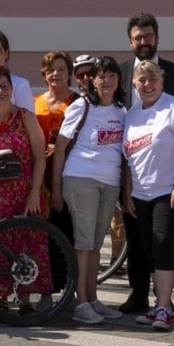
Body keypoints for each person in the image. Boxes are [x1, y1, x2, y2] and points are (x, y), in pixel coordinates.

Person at [116, 13, 174, 314]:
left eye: (148, 36)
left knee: (160, 240)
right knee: (135, 237)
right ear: (130, 41)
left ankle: (163, 300)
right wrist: (125, 184)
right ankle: (138, 294)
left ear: (157, 37)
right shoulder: (120, 73)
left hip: (167, 173)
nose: (143, 42)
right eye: (138, 38)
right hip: (132, 168)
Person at [122, 59, 174, 332]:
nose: (148, 84)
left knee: (162, 245)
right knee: (149, 249)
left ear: (162, 81)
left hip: (170, 191)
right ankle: (160, 303)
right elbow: (128, 159)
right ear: (134, 84)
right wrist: (128, 192)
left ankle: (165, 307)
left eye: (153, 78)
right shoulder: (131, 115)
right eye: (142, 80)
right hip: (141, 194)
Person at [52, 56, 127, 323]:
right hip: (81, 178)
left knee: (95, 244)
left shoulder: (122, 111)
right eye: (101, 76)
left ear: (118, 79)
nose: (107, 81)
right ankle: (80, 302)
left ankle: (93, 299)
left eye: (111, 75)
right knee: (83, 244)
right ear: (92, 81)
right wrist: (56, 186)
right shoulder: (81, 107)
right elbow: (60, 148)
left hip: (110, 182)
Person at [0, 65, 51, 318]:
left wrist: (34, 193)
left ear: (11, 88)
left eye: (4, 86)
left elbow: (40, 157)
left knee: (24, 244)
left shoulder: (25, 116)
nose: (0, 91)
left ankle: (26, 300)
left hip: (21, 194)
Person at [35, 51, 77, 248]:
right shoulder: (35, 102)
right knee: (43, 232)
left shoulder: (78, 102)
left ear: (69, 73)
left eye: (61, 69)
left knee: (66, 231)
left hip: (68, 174)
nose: (56, 74)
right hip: (41, 175)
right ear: (44, 74)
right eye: (50, 70)